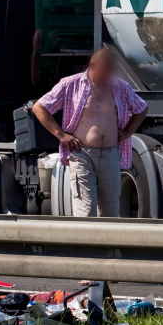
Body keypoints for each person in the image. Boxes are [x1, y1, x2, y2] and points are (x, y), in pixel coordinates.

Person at [32, 48, 147, 217]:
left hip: (110, 155)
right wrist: (61, 135)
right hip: (82, 154)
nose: (109, 74)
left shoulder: (120, 87)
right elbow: (39, 107)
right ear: (93, 65)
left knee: (111, 213)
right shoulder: (71, 84)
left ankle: (107, 244)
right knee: (86, 211)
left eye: (111, 69)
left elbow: (142, 108)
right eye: (106, 69)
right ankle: (86, 243)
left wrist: (128, 132)